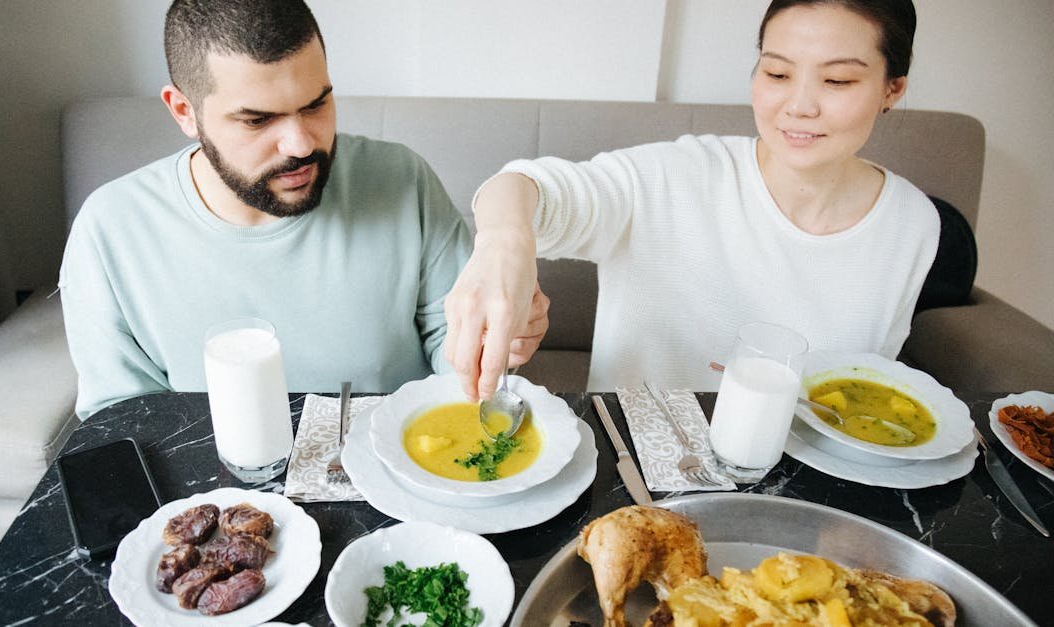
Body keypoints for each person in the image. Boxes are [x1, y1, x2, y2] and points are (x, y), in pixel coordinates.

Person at [59, 0, 548, 419]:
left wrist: (495, 342)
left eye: (316, 105)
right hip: (218, 500)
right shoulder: (110, 231)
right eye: (258, 120)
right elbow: (126, 422)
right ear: (184, 111)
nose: (299, 144)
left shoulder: (402, 179)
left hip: (399, 476)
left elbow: (454, 344)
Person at [444, 0, 938, 400]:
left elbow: (869, 388)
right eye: (777, 74)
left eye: (837, 81)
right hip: (637, 474)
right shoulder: (677, 176)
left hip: (816, 482)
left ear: (892, 89)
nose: (799, 106)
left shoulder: (913, 222)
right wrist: (504, 243)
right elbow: (534, 189)